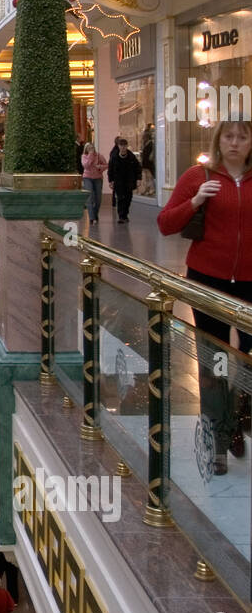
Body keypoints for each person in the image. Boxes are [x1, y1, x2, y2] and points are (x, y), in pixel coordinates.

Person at [158, 118, 252, 474]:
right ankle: (217, 443)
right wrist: (196, 200)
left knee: (246, 359)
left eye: (242, 137)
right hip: (207, 280)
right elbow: (166, 223)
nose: (234, 143)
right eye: (228, 136)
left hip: (250, 283)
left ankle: (237, 418)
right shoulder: (199, 176)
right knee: (214, 361)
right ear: (218, 140)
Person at [108, 138, 141, 223]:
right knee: (120, 198)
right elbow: (110, 169)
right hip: (118, 181)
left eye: (124, 146)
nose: (123, 147)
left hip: (129, 180)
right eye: (121, 146)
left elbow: (138, 168)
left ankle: (125, 214)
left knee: (128, 198)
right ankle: (121, 216)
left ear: (126, 146)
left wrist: (139, 179)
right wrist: (110, 180)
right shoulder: (114, 157)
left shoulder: (131, 156)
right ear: (118, 146)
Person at [81, 141, 108, 225]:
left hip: (98, 178)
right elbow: (86, 165)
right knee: (89, 197)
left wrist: (100, 167)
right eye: (89, 148)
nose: (91, 150)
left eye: (92, 148)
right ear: (86, 149)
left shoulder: (99, 156)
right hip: (87, 178)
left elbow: (106, 165)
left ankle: (95, 214)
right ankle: (91, 218)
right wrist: (90, 155)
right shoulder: (84, 156)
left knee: (98, 198)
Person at [141, 125, 156, 196]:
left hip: (149, 163)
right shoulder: (145, 144)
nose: (143, 137)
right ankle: (147, 188)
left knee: (149, 176)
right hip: (145, 162)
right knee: (146, 177)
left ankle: (151, 189)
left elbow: (151, 154)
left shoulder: (150, 143)